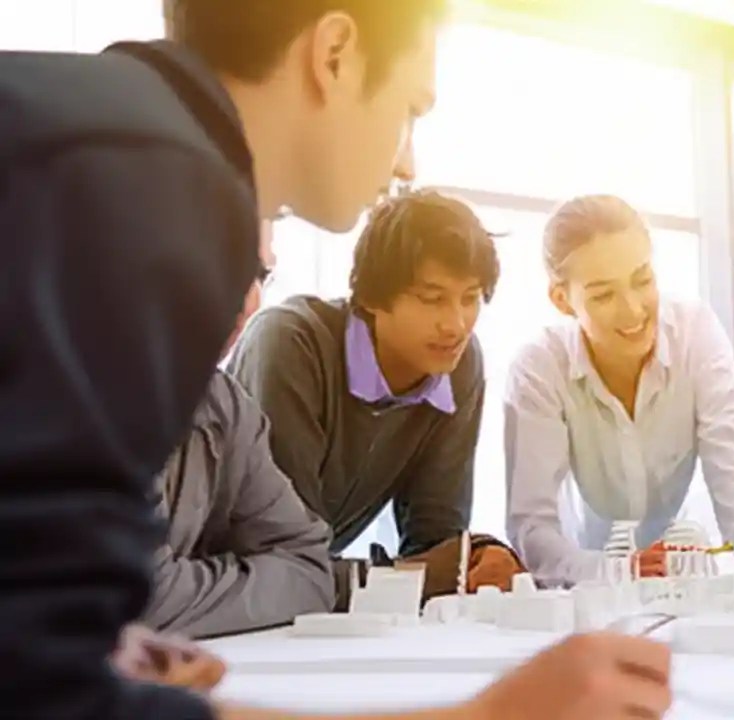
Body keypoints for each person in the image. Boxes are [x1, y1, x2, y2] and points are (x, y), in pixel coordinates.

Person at [0, 0, 673, 717]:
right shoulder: (153, 186)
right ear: (334, 53)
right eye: (411, 109)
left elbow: (35, 660)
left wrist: (90, 639)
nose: (409, 159)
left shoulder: (95, 131)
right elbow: (55, 701)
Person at [227, 190, 525, 596]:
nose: (455, 324)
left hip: (306, 601)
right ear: (371, 296)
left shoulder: (458, 364)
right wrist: (423, 574)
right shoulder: (290, 345)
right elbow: (285, 558)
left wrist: (475, 559)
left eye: (470, 298)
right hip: (219, 597)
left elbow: (437, 542)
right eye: (432, 299)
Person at [506, 194, 734, 587]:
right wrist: (615, 571)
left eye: (642, 280)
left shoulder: (695, 332)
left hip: (692, 573)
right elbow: (532, 522)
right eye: (603, 295)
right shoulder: (539, 368)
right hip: (584, 585)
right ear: (561, 299)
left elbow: (728, 458)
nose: (632, 310)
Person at [146, 254, 336, 639]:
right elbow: (139, 598)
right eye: (224, 263)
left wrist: (182, 588)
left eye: (259, 275)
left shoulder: (226, 405)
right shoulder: (71, 397)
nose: (249, 299)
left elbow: (311, 571)